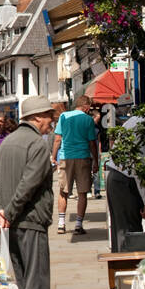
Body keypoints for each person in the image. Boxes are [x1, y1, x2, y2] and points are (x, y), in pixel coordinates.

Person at [0, 95, 61, 289]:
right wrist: (10, 211)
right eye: (49, 115)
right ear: (37, 118)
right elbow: (28, 185)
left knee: (13, 282)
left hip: (9, 225)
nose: (52, 120)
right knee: (35, 282)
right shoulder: (38, 145)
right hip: (30, 222)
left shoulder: (7, 143)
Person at [104, 98, 145, 251]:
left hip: (117, 177)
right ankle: (127, 265)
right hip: (124, 181)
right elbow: (139, 169)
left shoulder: (136, 119)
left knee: (121, 228)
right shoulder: (143, 127)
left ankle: (122, 264)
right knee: (129, 231)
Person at [52, 94, 99, 234]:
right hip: (83, 157)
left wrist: (54, 157)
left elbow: (57, 139)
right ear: (85, 106)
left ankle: (61, 224)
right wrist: (96, 161)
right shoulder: (88, 120)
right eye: (89, 107)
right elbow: (92, 143)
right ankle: (78, 224)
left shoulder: (63, 117)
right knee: (82, 192)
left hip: (66, 157)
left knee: (63, 191)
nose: (89, 110)